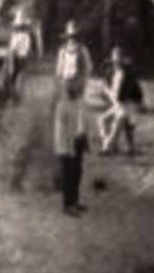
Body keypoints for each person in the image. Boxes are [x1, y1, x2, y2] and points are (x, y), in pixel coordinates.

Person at [98, 47, 143, 155]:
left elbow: (121, 96)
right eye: (114, 61)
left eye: (118, 61)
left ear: (122, 60)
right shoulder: (112, 73)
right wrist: (104, 91)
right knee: (102, 120)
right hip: (119, 106)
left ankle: (108, 146)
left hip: (129, 105)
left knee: (121, 118)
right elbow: (106, 94)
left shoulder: (127, 74)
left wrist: (107, 91)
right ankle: (112, 145)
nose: (116, 63)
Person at [53, 82, 88, 216]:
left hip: (77, 142)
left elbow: (82, 123)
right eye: (73, 89)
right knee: (69, 175)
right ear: (67, 90)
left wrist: (85, 139)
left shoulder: (79, 103)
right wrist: (67, 149)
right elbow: (61, 132)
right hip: (67, 145)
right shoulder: (62, 106)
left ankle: (75, 201)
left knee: (77, 173)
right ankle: (68, 205)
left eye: (77, 88)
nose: (77, 91)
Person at [0, 11, 35, 108]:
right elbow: (21, 50)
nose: (18, 29)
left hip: (18, 58)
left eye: (19, 27)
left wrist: (12, 62)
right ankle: (12, 96)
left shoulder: (19, 37)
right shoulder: (24, 36)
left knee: (14, 77)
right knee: (15, 77)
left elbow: (14, 50)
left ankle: (12, 96)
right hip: (19, 57)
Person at [55, 21, 93, 102]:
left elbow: (89, 67)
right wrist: (61, 80)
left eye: (74, 37)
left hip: (78, 83)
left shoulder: (82, 50)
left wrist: (82, 81)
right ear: (66, 38)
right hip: (66, 83)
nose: (72, 39)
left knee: (77, 104)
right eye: (70, 37)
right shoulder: (62, 50)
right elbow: (59, 70)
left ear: (77, 37)